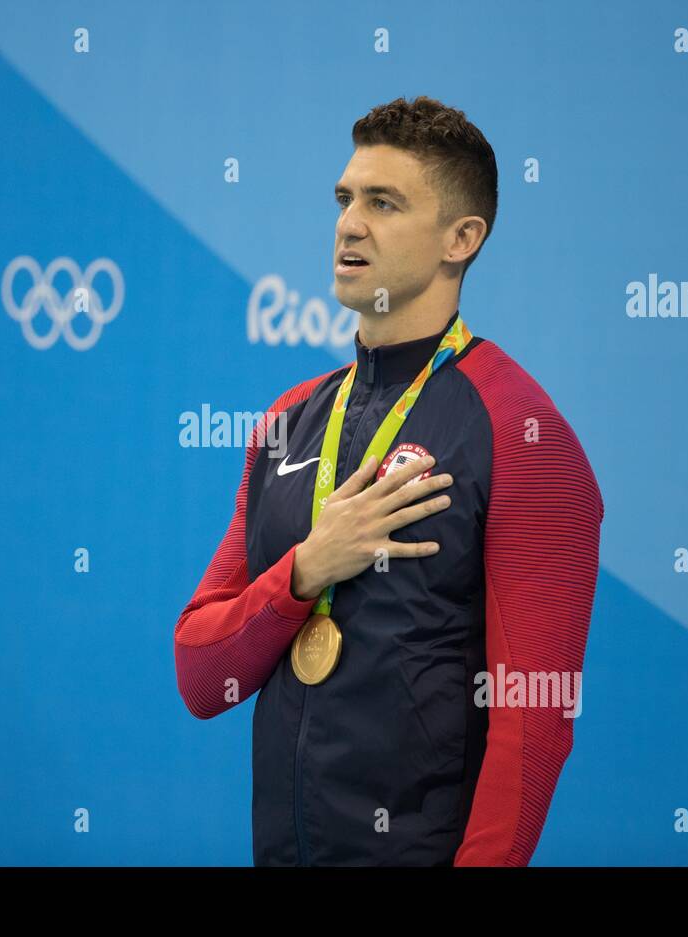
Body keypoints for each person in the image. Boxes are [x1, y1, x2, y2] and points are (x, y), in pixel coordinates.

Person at [174, 96, 604, 866]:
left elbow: (533, 724)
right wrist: (307, 569)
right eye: (344, 199)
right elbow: (203, 675)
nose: (349, 223)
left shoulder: (524, 434)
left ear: (461, 238)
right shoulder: (289, 420)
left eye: (384, 202)